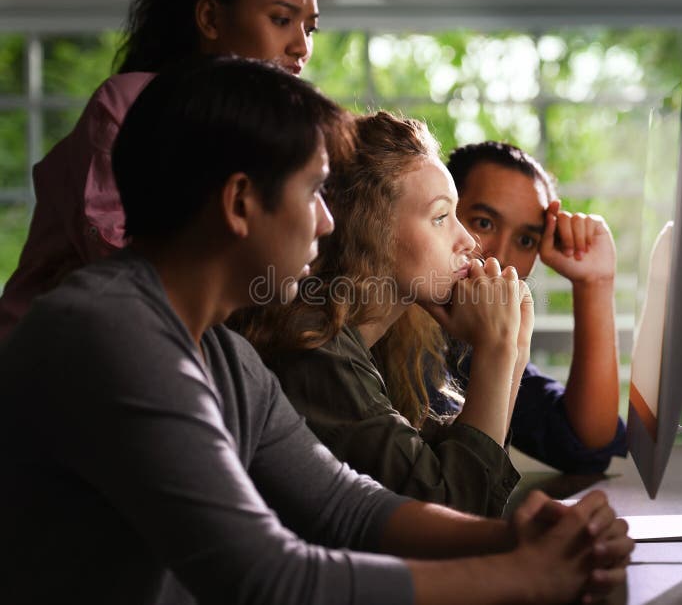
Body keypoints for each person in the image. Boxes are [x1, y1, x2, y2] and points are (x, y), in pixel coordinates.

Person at [0, 58, 633, 605]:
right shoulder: (110, 334)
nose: (329, 223)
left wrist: (512, 537)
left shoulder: (221, 352)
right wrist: (521, 575)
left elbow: (345, 505)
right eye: (311, 192)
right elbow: (270, 577)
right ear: (240, 203)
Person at [0, 0, 320, 341]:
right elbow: (135, 267)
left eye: (310, 29)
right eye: (282, 20)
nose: (301, 47)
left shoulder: (269, 137)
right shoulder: (128, 105)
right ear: (210, 18)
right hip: (49, 352)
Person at [235, 111, 538, 517]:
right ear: (369, 233)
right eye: (440, 217)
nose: (468, 241)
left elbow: (441, 469)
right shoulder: (315, 347)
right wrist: (496, 351)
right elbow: (452, 509)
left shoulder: (382, 343)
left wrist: (513, 349)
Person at [438, 141, 628, 473]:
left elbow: (588, 443)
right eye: (484, 223)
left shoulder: (474, 347)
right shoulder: (379, 329)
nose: (501, 255)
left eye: (526, 241)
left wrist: (594, 283)